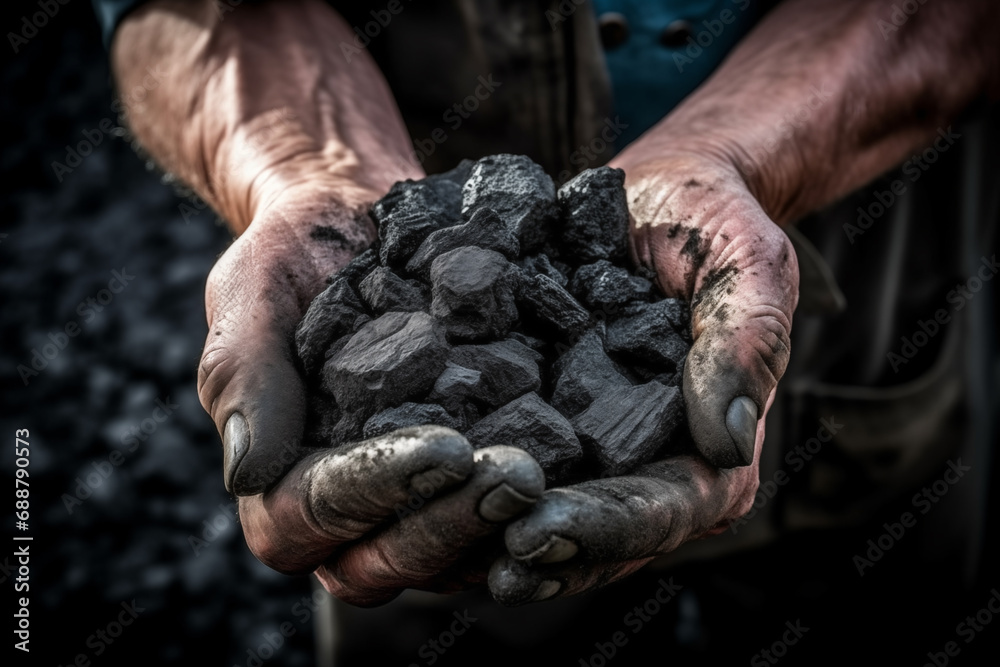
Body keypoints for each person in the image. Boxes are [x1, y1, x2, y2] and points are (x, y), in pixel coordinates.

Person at [95, 0, 999, 660]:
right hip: (449, 496)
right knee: (447, 561)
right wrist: (305, 163)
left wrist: (728, 155)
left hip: (860, 273)